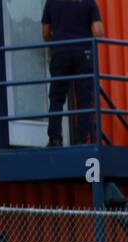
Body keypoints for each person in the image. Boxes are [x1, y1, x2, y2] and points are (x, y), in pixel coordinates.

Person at [42, 0, 103, 146]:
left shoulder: (51, 3)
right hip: (83, 54)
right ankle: (81, 140)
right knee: (84, 100)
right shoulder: (88, 3)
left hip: (60, 52)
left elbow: (45, 34)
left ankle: (55, 138)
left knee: (56, 98)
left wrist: (59, 37)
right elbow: (97, 32)